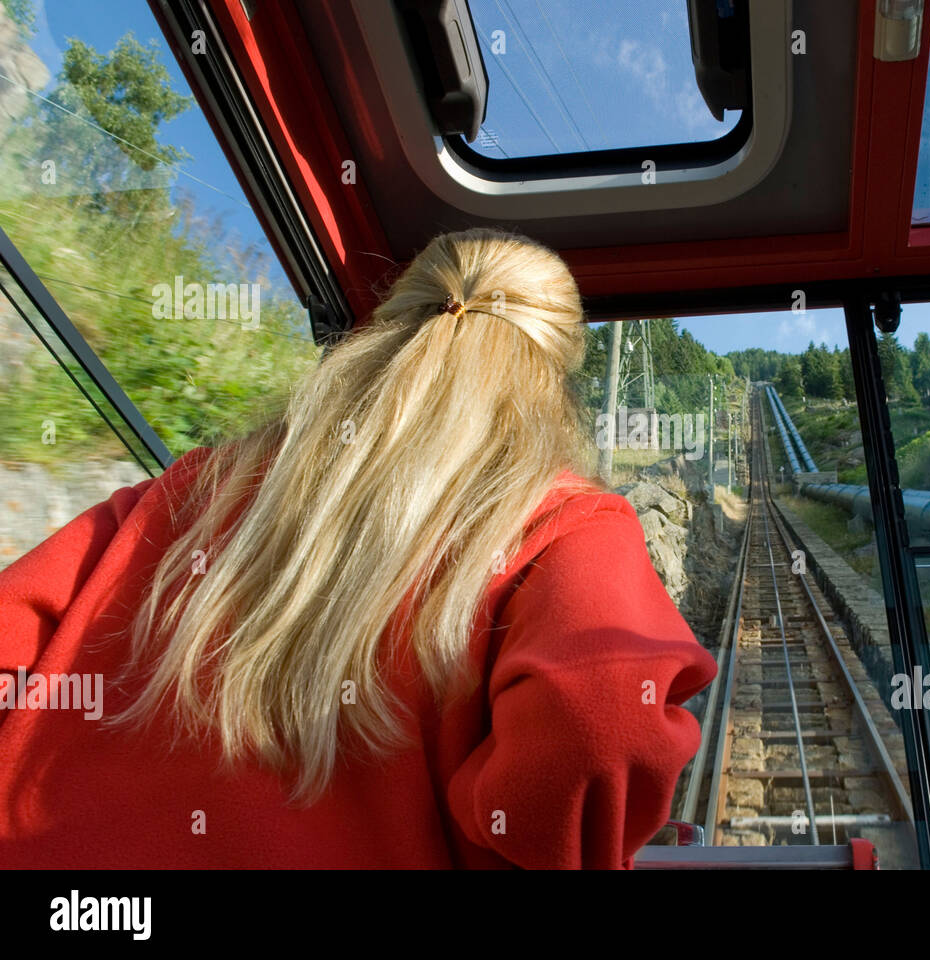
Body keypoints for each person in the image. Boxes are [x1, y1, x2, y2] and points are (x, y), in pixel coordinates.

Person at [0, 228, 716, 868]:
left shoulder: (195, 488)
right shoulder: (564, 524)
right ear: (553, 375)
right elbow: (602, 721)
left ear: (388, 327)